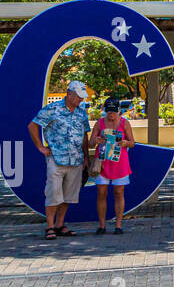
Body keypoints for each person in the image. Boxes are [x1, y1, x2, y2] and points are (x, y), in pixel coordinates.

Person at [28, 80, 91, 240]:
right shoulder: (52, 109)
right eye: (78, 96)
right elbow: (33, 126)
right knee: (53, 193)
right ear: (69, 93)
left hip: (76, 160)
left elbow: (84, 135)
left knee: (68, 195)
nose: (81, 100)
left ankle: (60, 225)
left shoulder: (82, 113)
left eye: (82, 97)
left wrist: (86, 156)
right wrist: (40, 147)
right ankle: (49, 226)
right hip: (56, 159)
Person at [90, 97, 135, 234]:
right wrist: (96, 140)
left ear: (118, 111)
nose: (111, 114)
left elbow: (132, 142)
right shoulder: (99, 123)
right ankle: (102, 226)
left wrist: (125, 143)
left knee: (119, 193)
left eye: (114, 111)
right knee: (101, 193)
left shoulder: (124, 123)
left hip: (119, 163)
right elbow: (90, 142)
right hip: (102, 163)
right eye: (109, 111)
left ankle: (118, 225)